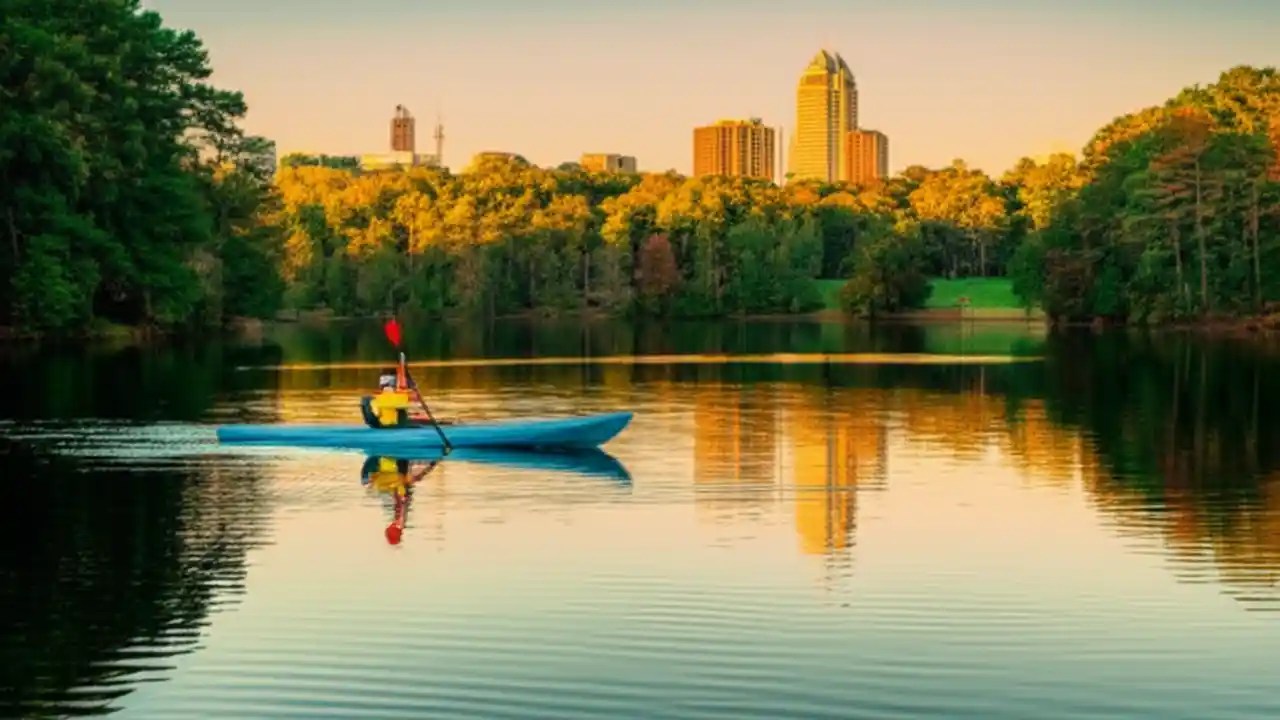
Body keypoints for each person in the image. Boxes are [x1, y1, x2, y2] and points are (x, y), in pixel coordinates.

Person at [360, 455, 439, 545]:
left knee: (413, 477)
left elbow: (399, 497)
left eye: (400, 534)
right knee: (415, 477)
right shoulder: (396, 515)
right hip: (390, 475)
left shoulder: (396, 515)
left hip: (391, 474)